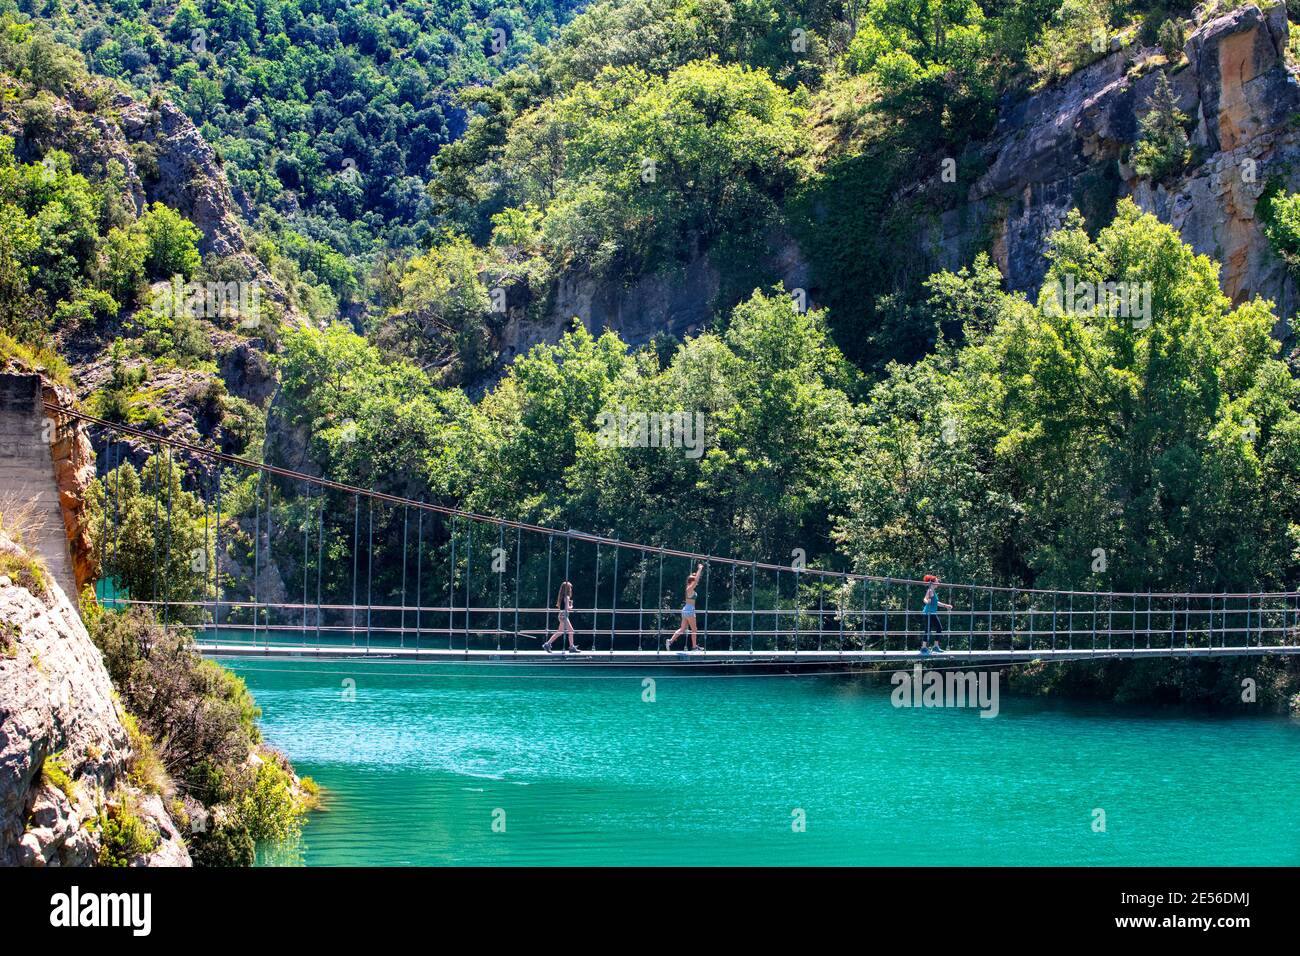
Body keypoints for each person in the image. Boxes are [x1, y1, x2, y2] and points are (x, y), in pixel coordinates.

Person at [665, 562, 706, 652]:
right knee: (694, 629)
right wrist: (700, 569)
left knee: (683, 629)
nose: (697, 582)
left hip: (686, 609)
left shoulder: (688, 589)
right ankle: (694, 647)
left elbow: (695, 581)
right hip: (690, 610)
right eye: (694, 581)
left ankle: (670, 641)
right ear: (691, 582)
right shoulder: (690, 589)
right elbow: (696, 580)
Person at [542, 581, 580, 653]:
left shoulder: (562, 596)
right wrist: (571, 606)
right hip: (564, 615)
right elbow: (567, 608)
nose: (571, 590)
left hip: (561, 614)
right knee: (571, 631)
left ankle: (547, 644)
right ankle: (571, 647)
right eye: (570, 588)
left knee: (560, 632)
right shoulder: (567, 597)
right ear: (568, 589)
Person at [921, 574, 951, 655]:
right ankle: (923, 648)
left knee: (939, 628)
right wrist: (927, 602)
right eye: (937, 581)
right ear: (933, 583)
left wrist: (945, 606)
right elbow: (925, 599)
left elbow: (936, 602)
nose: (938, 583)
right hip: (928, 613)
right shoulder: (930, 590)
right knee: (928, 629)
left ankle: (935, 646)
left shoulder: (933, 591)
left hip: (933, 613)